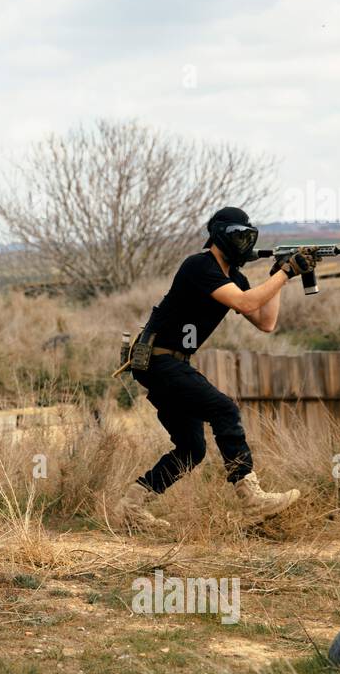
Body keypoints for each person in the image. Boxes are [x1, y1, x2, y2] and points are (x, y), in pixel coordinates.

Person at [112, 207, 315, 529]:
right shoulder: (199, 265)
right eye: (238, 236)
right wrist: (286, 272)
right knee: (224, 409)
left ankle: (130, 507)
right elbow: (245, 303)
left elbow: (266, 322)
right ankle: (251, 500)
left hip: (170, 363)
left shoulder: (234, 277)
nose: (243, 243)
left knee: (191, 448)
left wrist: (279, 276)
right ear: (219, 235)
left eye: (248, 237)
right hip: (157, 360)